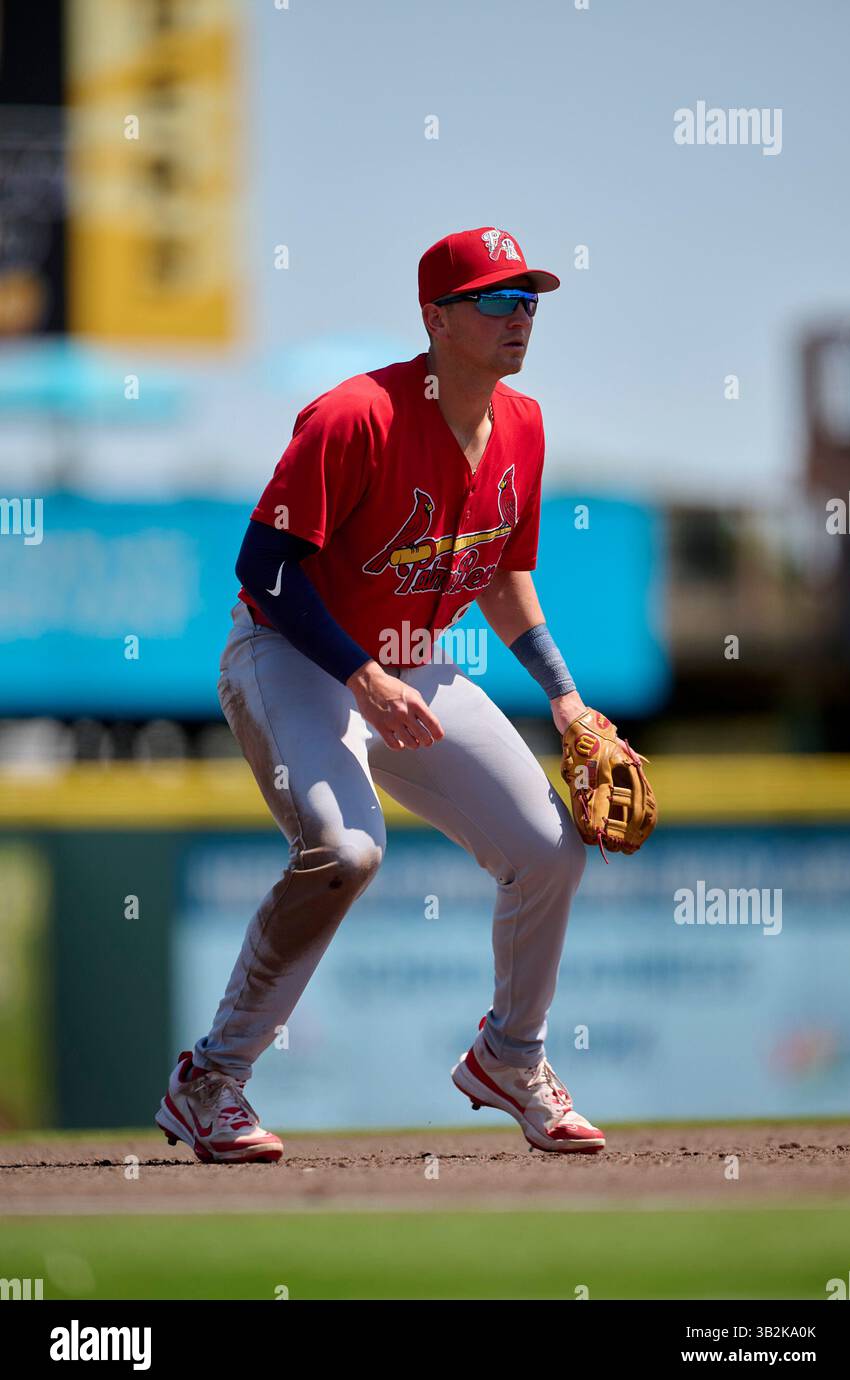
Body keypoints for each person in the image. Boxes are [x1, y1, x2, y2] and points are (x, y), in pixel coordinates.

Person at [155, 226, 606, 1162]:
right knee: (346, 851)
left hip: (410, 665)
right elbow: (264, 567)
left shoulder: (522, 424)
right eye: (495, 299)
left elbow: (501, 575)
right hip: (289, 655)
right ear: (436, 318)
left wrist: (564, 697)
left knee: (550, 849)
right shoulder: (353, 416)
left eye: (529, 300)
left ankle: (510, 1057)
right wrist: (361, 676)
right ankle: (212, 1082)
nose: (519, 315)